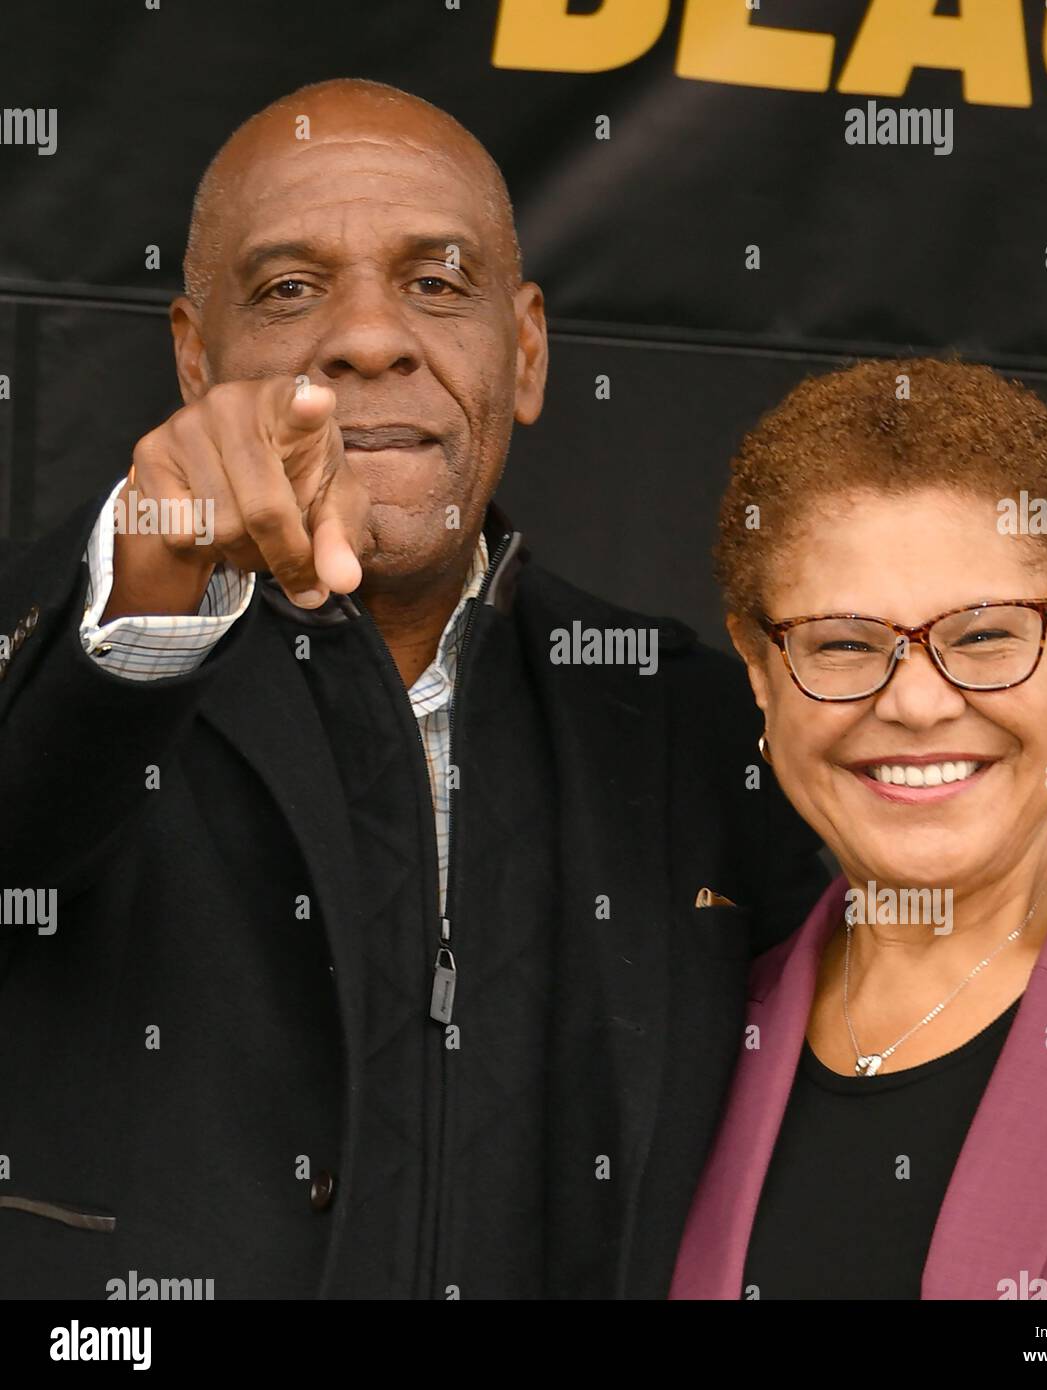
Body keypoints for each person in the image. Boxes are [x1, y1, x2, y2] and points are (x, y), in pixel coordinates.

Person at [0, 78, 827, 1300]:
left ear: (528, 350)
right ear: (192, 359)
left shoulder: (696, 724)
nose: (371, 338)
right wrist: (153, 568)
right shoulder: (86, 649)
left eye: (437, 284)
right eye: (288, 289)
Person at [670, 358, 1047, 1301]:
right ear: (760, 670)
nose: (918, 704)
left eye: (987, 635)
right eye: (843, 644)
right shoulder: (695, 1038)